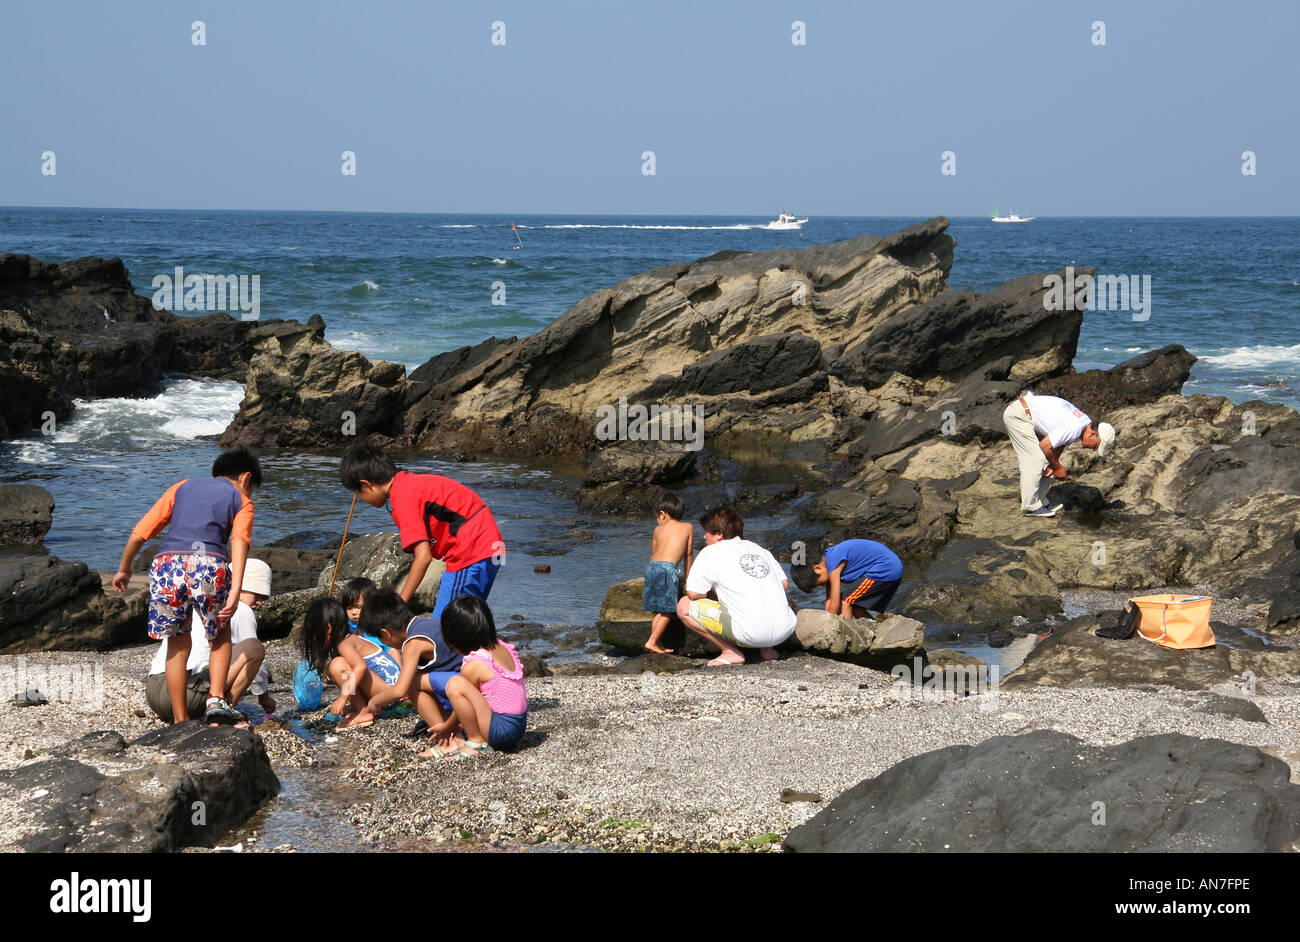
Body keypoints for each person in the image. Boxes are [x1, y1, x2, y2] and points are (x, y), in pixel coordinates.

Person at [113, 447, 261, 725]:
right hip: (208, 564)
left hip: (166, 565)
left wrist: (124, 568)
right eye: (252, 488)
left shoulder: (182, 487)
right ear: (246, 478)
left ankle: (180, 721)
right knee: (218, 637)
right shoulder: (241, 499)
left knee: (177, 643)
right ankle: (215, 702)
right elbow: (239, 541)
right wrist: (236, 588)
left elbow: (142, 531)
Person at [339, 442, 506, 618]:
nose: (361, 499)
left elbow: (423, 556)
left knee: (444, 625)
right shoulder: (409, 483)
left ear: (367, 484)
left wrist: (401, 602)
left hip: (472, 551)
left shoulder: (402, 496)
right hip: (492, 547)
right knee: (468, 621)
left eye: (358, 493)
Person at [143, 557, 276, 723]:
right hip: (188, 694)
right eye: (257, 594)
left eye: (264, 597)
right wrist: (264, 698)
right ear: (239, 586)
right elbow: (258, 667)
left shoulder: (198, 601)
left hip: (154, 692)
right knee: (254, 648)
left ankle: (188, 714)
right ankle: (221, 714)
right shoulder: (240, 609)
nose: (260, 602)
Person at [675, 504, 796, 666]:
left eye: (707, 532)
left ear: (718, 534)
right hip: (784, 631)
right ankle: (767, 650)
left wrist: (714, 595)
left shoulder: (710, 553)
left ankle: (730, 652)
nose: (704, 537)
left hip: (749, 633)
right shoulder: (760, 550)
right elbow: (784, 584)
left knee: (684, 606)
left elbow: (694, 593)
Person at [422, 596, 527, 761]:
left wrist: (446, 727)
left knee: (455, 685)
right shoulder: (503, 647)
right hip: (518, 726)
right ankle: (478, 738)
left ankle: (476, 742)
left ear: (455, 637)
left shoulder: (475, 664)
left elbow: (460, 707)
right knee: (463, 687)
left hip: (501, 731)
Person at [349, 589, 464, 736]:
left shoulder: (413, 643)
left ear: (385, 633)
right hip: (466, 683)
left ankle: (447, 736)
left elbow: (399, 690)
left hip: (463, 687)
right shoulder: (429, 623)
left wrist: (374, 702)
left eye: (381, 638)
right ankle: (445, 722)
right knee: (419, 676)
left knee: (412, 683)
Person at [1002, 392, 1115, 517]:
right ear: (1093, 434)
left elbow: (1059, 443)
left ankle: (1041, 501)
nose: (1094, 449)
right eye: (1096, 445)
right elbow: (1045, 445)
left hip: (1027, 415)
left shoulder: (1084, 422)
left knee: (1047, 463)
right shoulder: (1075, 427)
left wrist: (1053, 464)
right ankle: (1030, 507)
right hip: (1018, 416)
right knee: (1035, 460)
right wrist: (1057, 467)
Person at [298, 596, 401, 729]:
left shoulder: (345, 644)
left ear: (328, 629)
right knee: (337, 666)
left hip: (389, 696)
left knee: (337, 666)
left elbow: (360, 667)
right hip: (389, 692)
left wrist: (342, 698)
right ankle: (360, 706)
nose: (313, 638)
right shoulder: (348, 639)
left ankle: (363, 711)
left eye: (314, 633)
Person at [790, 539, 903, 618]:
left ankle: (848, 638)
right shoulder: (827, 564)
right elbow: (829, 601)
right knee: (856, 607)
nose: (822, 586)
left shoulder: (834, 564)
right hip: (887, 566)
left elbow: (835, 606)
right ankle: (875, 633)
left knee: (846, 600)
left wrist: (829, 626)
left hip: (886, 567)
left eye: (819, 584)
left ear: (817, 568)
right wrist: (826, 617)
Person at [643, 491, 694, 654]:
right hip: (667, 569)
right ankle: (652, 641)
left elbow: (653, 553)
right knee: (668, 610)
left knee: (658, 609)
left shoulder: (658, 530)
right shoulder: (687, 527)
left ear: (662, 514)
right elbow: (688, 555)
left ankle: (655, 643)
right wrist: (688, 579)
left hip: (652, 568)